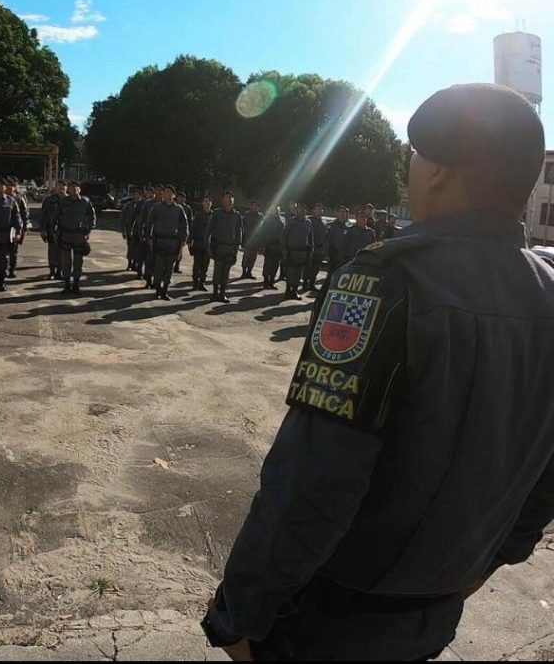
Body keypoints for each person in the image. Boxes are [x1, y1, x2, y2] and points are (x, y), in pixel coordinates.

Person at [202, 83, 554, 662]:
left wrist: (241, 611)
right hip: (437, 608)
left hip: (330, 622)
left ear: (439, 171)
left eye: (416, 157)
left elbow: (314, 478)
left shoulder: (385, 283)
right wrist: (496, 556)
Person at [53, 180, 97, 295]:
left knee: (78, 262)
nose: (74, 189)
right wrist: (55, 231)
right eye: (72, 187)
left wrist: (89, 230)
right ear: (68, 189)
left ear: (80, 189)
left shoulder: (85, 201)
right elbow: (55, 216)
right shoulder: (63, 201)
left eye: (76, 187)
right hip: (65, 234)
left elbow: (92, 216)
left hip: (79, 235)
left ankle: (76, 285)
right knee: (66, 262)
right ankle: (67, 285)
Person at [146, 184, 189, 301]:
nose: (167, 194)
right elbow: (149, 223)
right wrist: (149, 238)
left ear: (174, 195)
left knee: (169, 268)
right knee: (158, 267)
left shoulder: (179, 209)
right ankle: (158, 290)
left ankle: (165, 290)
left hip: (172, 243)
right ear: (163, 194)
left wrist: (182, 243)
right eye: (165, 192)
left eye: (170, 192)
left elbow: (184, 227)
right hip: (159, 242)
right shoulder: (157, 208)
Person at [208, 191, 244, 303]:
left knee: (226, 273)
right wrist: (208, 246)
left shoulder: (237, 215)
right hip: (218, 247)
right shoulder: (217, 213)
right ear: (223, 200)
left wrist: (237, 247)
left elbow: (239, 232)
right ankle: (214, 293)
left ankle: (222, 293)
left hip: (230, 248)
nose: (229, 201)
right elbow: (209, 230)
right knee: (217, 272)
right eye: (227, 198)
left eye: (231, 199)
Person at [280, 203, 313, 300]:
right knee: (290, 272)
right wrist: (284, 250)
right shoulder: (291, 222)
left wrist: (311, 250)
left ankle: (294, 291)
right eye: (299, 209)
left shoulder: (308, 222)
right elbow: (283, 236)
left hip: (303, 252)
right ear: (296, 210)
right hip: (292, 252)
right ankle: (288, 290)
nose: (302, 211)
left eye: (303, 209)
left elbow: (310, 237)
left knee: (299, 273)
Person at [41, 181, 68, 279]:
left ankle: (59, 272)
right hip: (51, 229)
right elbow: (43, 215)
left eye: (63, 186)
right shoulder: (49, 200)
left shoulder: (69, 200)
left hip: (65, 230)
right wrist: (42, 229)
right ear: (55, 188)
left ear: (66, 188)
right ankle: (52, 272)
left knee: (62, 252)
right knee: (52, 251)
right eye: (59, 186)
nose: (61, 188)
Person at [136, 184, 162, 287]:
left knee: (159, 262)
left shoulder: (165, 205)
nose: (159, 192)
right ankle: (148, 280)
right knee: (148, 259)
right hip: (149, 236)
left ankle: (157, 281)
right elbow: (142, 220)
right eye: (158, 190)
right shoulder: (148, 204)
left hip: (160, 237)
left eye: (161, 190)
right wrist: (142, 234)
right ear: (154, 191)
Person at [189, 195, 214, 291]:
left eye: (209, 201)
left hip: (208, 245)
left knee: (205, 265)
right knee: (197, 265)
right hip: (198, 243)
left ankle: (202, 283)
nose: (207, 203)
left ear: (211, 204)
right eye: (205, 201)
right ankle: (195, 283)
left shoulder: (214, 215)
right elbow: (193, 228)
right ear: (202, 203)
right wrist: (190, 241)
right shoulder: (198, 215)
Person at [6, 178, 30, 279]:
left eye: (11, 186)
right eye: (8, 186)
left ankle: (12, 269)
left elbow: (24, 213)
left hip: (14, 228)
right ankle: (3, 270)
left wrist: (23, 228)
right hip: (3, 227)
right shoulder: (0, 198)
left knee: (13, 251)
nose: (9, 188)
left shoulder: (19, 198)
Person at [303, 203, 328, 294]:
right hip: (311, 247)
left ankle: (312, 283)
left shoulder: (323, 222)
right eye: (317, 209)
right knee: (308, 267)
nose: (319, 211)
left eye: (321, 209)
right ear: (313, 210)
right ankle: (305, 283)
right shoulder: (309, 220)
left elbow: (325, 235)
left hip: (320, 249)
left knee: (316, 267)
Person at [260, 206, 286, 290]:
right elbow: (263, 232)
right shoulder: (267, 220)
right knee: (267, 265)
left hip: (278, 246)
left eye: (276, 210)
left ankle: (271, 282)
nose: (274, 211)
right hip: (269, 245)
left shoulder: (282, 219)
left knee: (275, 265)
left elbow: (284, 231)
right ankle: (265, 282)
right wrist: (263, 244)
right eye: (272, 210)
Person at [121, 187, 145, 273]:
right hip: (129, 229)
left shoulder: (143, 206)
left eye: (139, 195)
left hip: (138, 231)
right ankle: (129, 263)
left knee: (137, 249)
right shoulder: (128, 205)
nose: (137, 196)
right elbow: (123, 218)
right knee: (130, 247)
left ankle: (135, 263)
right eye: (135, 194)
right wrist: (123, 230)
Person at [240, 201, 263, 280]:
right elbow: (242, 228)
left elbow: (261, 230)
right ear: (250, 207)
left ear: (258, 207)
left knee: (253, 258)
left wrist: (260, 243)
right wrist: (242, 240)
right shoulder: (246, 215)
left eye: (256, 206)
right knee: (246, 257)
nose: (254, 207)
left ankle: (249, 272)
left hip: (256, 242)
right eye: (253, 206)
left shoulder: (260, 216)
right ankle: (243, 272)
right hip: (247, 240)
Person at [325, 206, 350, 275]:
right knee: (331, 274)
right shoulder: (331, 226)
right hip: (333, 254)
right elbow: (327, 241)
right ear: (337, 213)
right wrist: (326, 254)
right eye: (341, 212)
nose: (343, 214)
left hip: (343, 256)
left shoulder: (348, 227)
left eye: (345, 212)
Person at [174, 190, 195, 274]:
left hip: (182, 233)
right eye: (179, 197)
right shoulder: (174, 207)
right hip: (173, 232)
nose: (181, 199)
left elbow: (190, 222)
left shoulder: (187, 208)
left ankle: (177, 266)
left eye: (183, 198)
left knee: (180, 250)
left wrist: (189, 235)